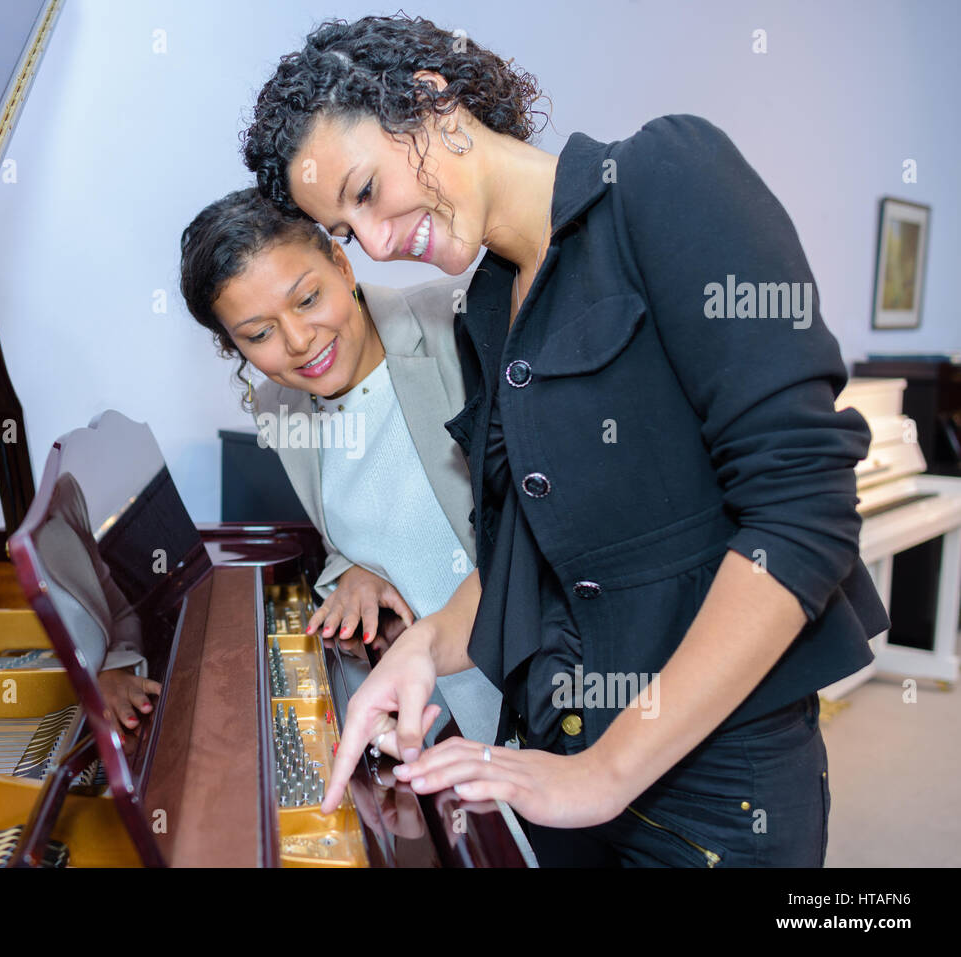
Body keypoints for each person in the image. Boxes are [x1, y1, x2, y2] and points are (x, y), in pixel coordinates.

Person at [241, 14, 890, 866]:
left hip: (714, 794)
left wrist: (609, 770)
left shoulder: (664, 177)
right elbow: (520, 553)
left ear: (432, 103)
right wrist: (428, 648)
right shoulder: (486, 306)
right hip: (549, 756)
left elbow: (803, 513)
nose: (375, 242)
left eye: (365, 192)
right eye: (344, 231)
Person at [179, 187, 501, 746]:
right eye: (259, 334)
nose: (299, 342)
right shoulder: (279, 408)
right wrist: (355, 572)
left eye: (307, 300)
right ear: (232, 345)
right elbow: (351, 537)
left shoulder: (465, 325)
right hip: (428, 726)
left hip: (533, 703)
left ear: (341, 263)